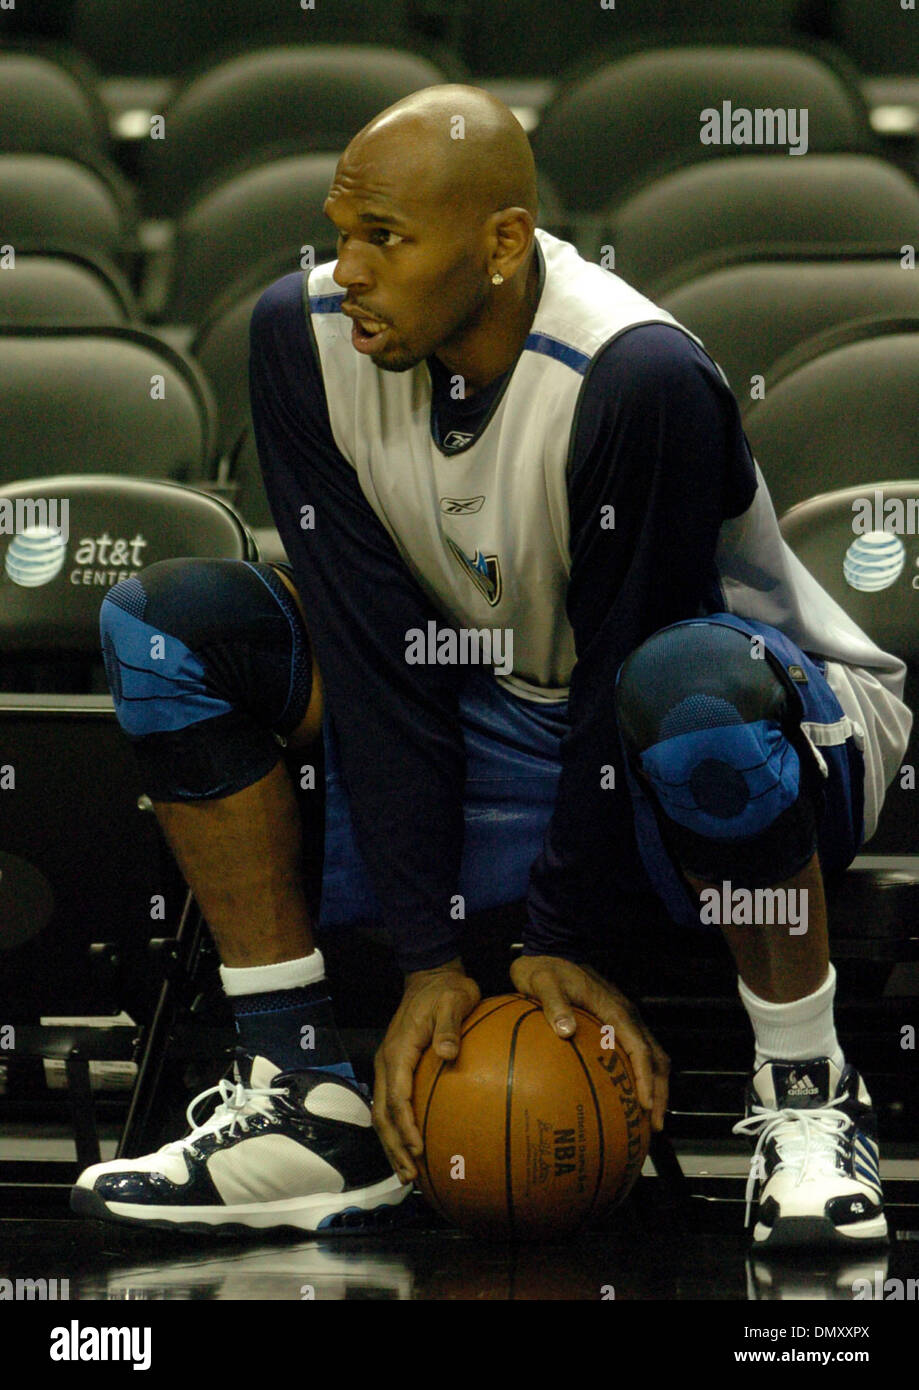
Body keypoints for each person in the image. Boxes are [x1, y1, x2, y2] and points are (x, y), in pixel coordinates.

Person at [72, 85, 911, 1247]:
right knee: (166, 628)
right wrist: (430, 957)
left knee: (686, 698)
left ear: (504, 243)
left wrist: (563, 941)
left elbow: (629, 672)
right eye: (339, 234)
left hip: (749, 721)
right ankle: (302, 1094)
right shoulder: (301, 338)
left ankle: (807, 1095)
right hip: (500, 700)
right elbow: (375, 656)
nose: (347, 271)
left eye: (384, 239)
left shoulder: (635, 376)